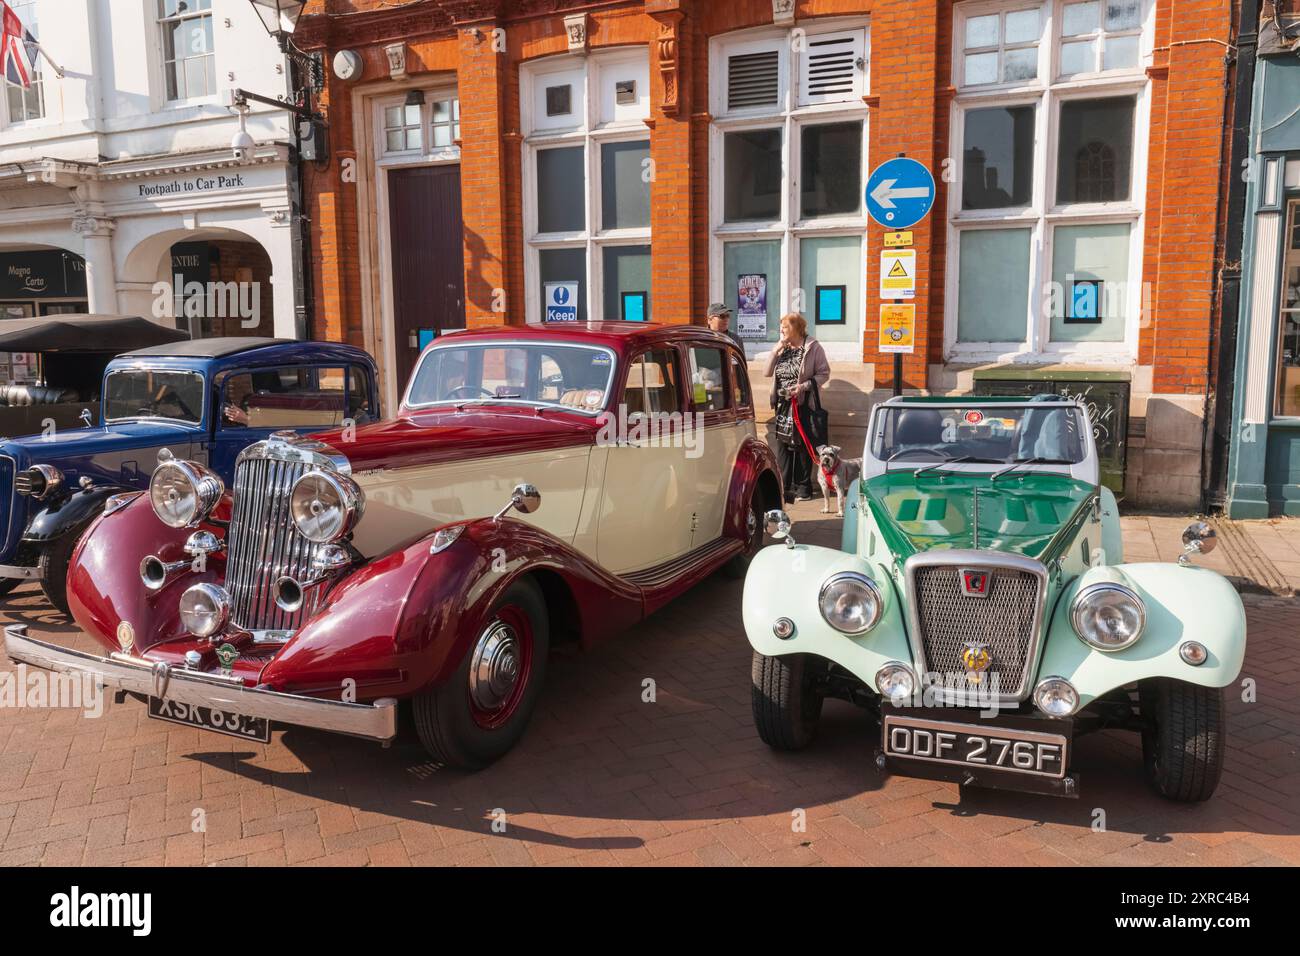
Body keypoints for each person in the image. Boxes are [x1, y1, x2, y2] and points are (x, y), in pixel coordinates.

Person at [765, 312, 830, 503]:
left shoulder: (812, 347)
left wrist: (802, 387)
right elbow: (766, 372)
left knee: (802, 445)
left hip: (802, 404)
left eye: (785, 327)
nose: (781, 330)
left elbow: (824, 373)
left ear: (795, 328)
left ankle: (803, 488)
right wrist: (775, 350)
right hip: (782, 404)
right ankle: (784, 487)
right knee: (783, 445)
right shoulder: (782, 348)